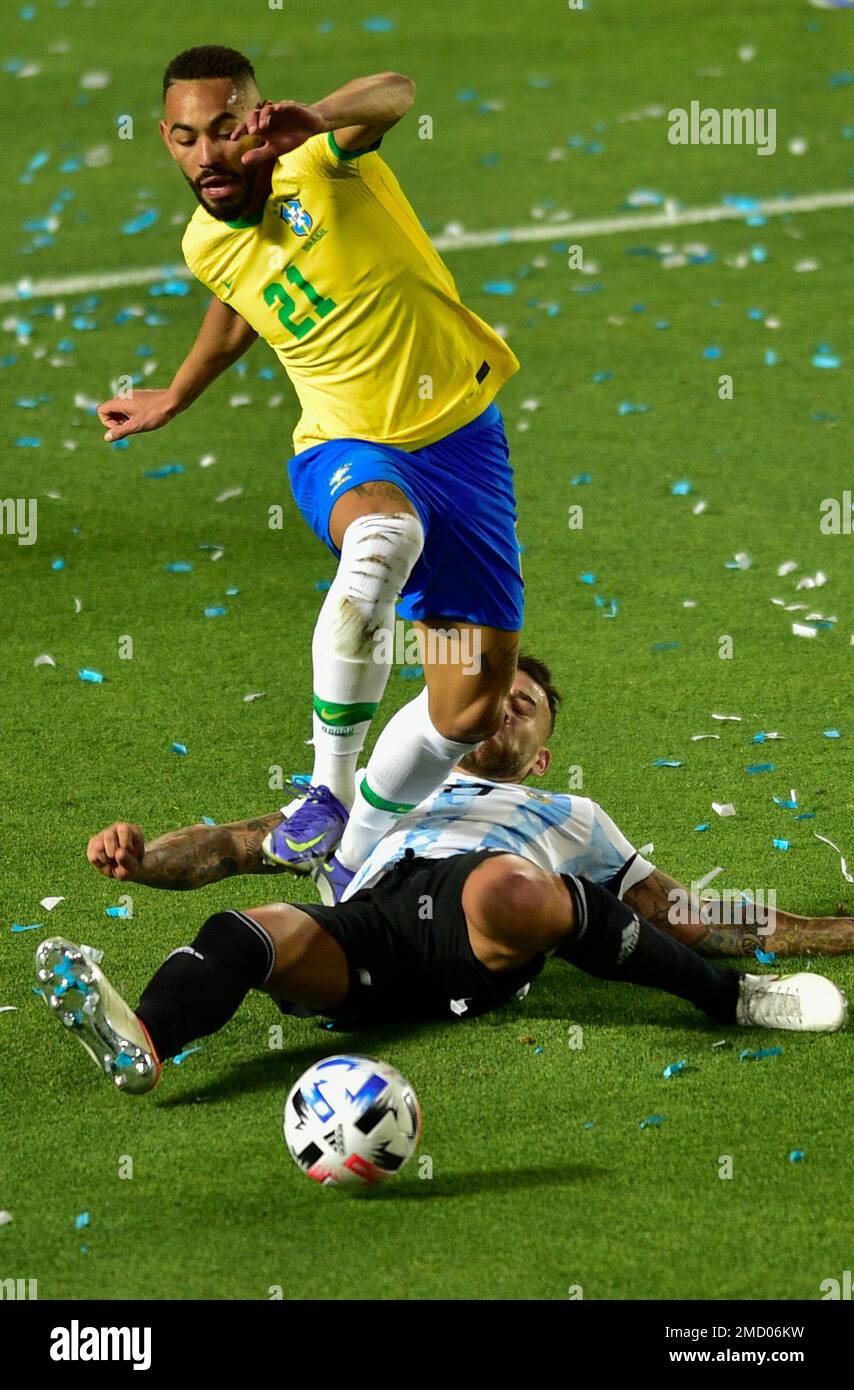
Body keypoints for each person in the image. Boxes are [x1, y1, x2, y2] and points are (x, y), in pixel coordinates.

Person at [96, 45, 524, 903]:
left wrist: (317, 118)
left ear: (254, 118)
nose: (207, 156)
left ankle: (349, 848)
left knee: (468, 708)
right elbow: (238, 303)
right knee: (381, 536)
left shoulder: (322, 163)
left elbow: (397, 90)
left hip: (464, 447)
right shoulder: (203, 238)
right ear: (165, 139)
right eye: (184, 139)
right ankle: (324, 792)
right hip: (346, 446)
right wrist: (177, 395)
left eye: (223, 130)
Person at [38, 660, 849, 1094]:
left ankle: (733, 1000)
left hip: (484, 928)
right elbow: (233, 845)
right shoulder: (374, 785)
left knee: (513, 890)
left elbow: (681, 911)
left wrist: (836, 931)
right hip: (371, 934)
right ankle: (143, 1040)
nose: (504, 707)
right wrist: (140, 862)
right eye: (496, 694)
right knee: (245, 931)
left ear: (541, 756)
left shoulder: (572, 814)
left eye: (524, 704)